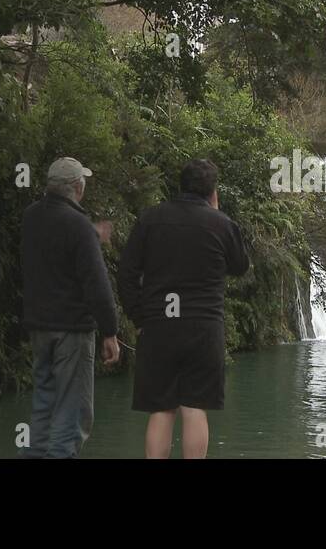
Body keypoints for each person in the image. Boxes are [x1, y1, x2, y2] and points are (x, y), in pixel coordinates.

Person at [118, 159, 249, 458]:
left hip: (158, 326)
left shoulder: (150, 219)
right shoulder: (222, 224)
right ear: (212, 192)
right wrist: (217, 216)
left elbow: (126, 273)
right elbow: (241, 266)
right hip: (203, 328)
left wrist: (139, 316)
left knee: (161, 410)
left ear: (180, 185)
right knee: (194, 408)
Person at [19, 156, 120, 458]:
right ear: (78, 187)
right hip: (71, 332)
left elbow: (53, 245)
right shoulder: (78, 226)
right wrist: (110, 332)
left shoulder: (31, 217)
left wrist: (89, 233)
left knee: (43, 406)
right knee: (72, 414)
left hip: (39, 327)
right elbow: (97, 285)